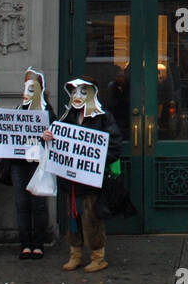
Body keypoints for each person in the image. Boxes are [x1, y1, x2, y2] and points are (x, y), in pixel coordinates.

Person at [45, 78, 121, 273]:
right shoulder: (65, 117)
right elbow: (55, 140)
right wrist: (47, 137)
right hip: (70, 180)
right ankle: (75, 254)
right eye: (74, 93)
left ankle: (97, 256)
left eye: (82, 93)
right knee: (73, 217)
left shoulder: (103, 118)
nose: (77, 97)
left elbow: (114, 146)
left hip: (91, 181)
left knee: (91, 217)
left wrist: (97, 161)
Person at [10, 67, 52, 259]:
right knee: (21, 203)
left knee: (39, 204)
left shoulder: (46, 110)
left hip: (38, 163)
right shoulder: (18, 110)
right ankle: (25, 243)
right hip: (19, 163)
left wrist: (48, 136)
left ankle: (38, 243)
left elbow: (56, 134)